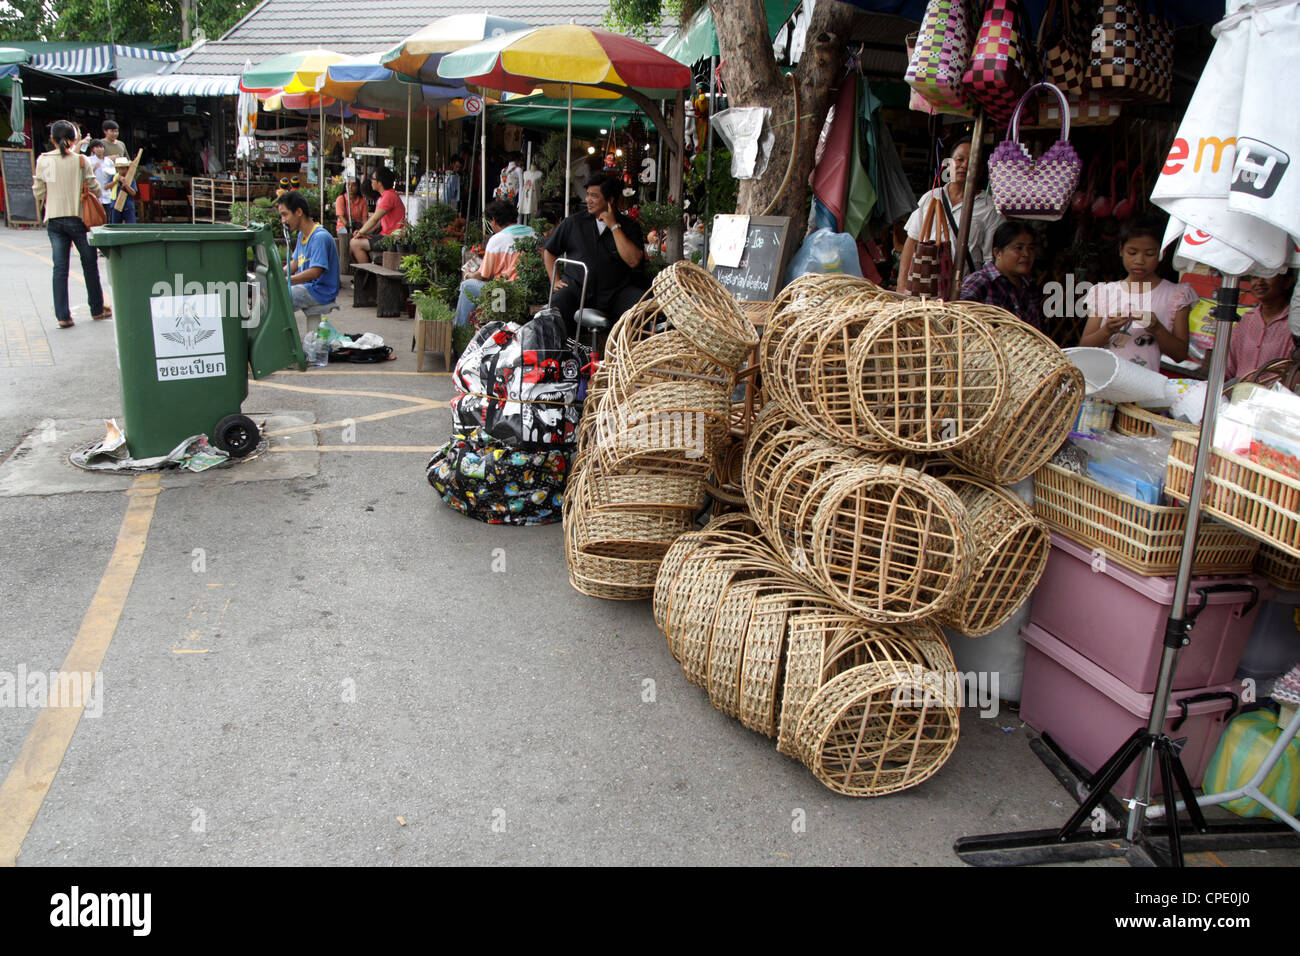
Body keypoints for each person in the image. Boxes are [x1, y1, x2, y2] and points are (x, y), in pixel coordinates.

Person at [1079, 218, 1197, 369]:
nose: (1139, 261)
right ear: (1121, 250)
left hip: (1145, 387)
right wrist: (1107, 330)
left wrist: (1157, 328)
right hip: (1106, 385)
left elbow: (1180, 354)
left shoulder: (1176, 295)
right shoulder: (1105, 293)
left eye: (1149, 254)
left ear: (1161, 253)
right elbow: (1084, 347)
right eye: (1132, 252)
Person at [542, 174, 648, 337]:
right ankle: (562, 356)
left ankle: (632, 358)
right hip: (577, 288)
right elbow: (549, 251)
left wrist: (613, 226)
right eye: (588, 195)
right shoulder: (574, 222)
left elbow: (633, 261)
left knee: (641, 307)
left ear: (610, 200)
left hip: (615, 292)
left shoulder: (629, 226)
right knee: (559, 301)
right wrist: (554, 280)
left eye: (594, 196)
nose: (588, 200)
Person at [897, 138, 1005, 294]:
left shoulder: (990, 208)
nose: (965, 165)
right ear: (949, 164)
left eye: (972, 160)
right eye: (959, 159)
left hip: (964, 294)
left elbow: (990, 261)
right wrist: (902, 286)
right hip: (924, 289)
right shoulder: (932, 197)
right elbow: (911, 241)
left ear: (981, 168)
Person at [31, 120, 109, 328]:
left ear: (51, 139)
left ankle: (63, 316)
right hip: (78, 219)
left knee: (60, 268)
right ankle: (97, 309)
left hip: (54, 220)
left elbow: (38, 192)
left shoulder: (43, 160)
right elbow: (95, 188)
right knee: (90, 265)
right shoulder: (81, 160)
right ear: (75, 139)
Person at [454, 199, 534, 326]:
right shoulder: (533, 233)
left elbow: (482, 275)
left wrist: (468, 274)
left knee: (467, 285)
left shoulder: (497, 239)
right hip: (532, 290)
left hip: (507, 292)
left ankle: (459, 330)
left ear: (494, 221)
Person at [959, 222, 1042, 329]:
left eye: (1031, 248)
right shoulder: (980, 281)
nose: (1026, 254)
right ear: (997, 252)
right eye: (1019, 248)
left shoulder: (1030, 286)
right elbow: (958, 317)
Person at [277, 190, 339, 317]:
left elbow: (315, 271)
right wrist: (276, 273)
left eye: (285, 215)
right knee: (273, 294)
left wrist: (288, 280)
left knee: (279, 299)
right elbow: (295, 263)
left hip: (320, 291)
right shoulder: (302, 235)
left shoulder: (319, 237)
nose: (283, 221)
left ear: (299, 212)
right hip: (309, 287)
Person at [1227, 270, 1297, 379]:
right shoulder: (1247, 320)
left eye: (1268, 274)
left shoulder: (1295, 324)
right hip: (1239, 393)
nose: (1259, 282)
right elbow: (1229, 367)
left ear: (1287, 282)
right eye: (1255, 277)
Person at [349, 167, 405, 264]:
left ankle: (367, 274)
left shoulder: (388, 196)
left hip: (390, 238)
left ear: (380, 182)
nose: (371, 181)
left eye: (373, 179)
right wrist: (363, 232)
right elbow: (377, 223)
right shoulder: (388, 195)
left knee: (355, 243)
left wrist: (361, 233)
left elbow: (375, 219)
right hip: (386, 236)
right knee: (355, 241)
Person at [107, 156, 137, 224]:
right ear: (117, 169)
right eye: (119, 168)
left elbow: (133, 193)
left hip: (128, 205)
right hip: (115, 204)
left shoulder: (131, 179)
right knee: (115, 226)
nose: (121, 170)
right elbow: (106, 187)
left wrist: (125, 184)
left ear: (127, 168)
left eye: (123, 168)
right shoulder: (113, 177)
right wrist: (116, 181)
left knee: (130, 226)